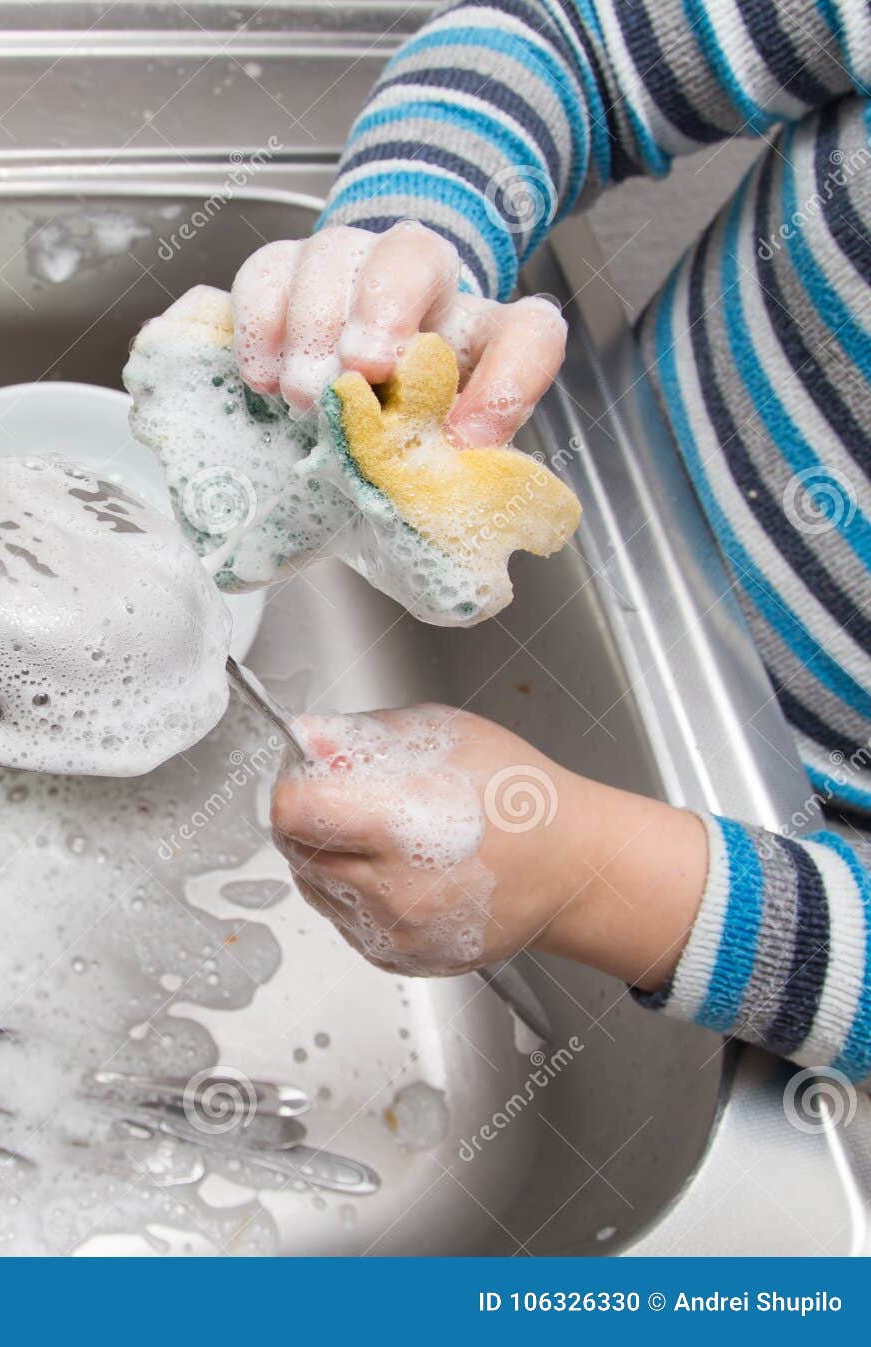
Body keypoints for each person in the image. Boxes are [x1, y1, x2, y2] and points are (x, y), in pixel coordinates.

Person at [242, 0, 871, 1085]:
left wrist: (591, 877)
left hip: (768, 907)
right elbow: (574, 45)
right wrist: (412, 240)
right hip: (612, 500)